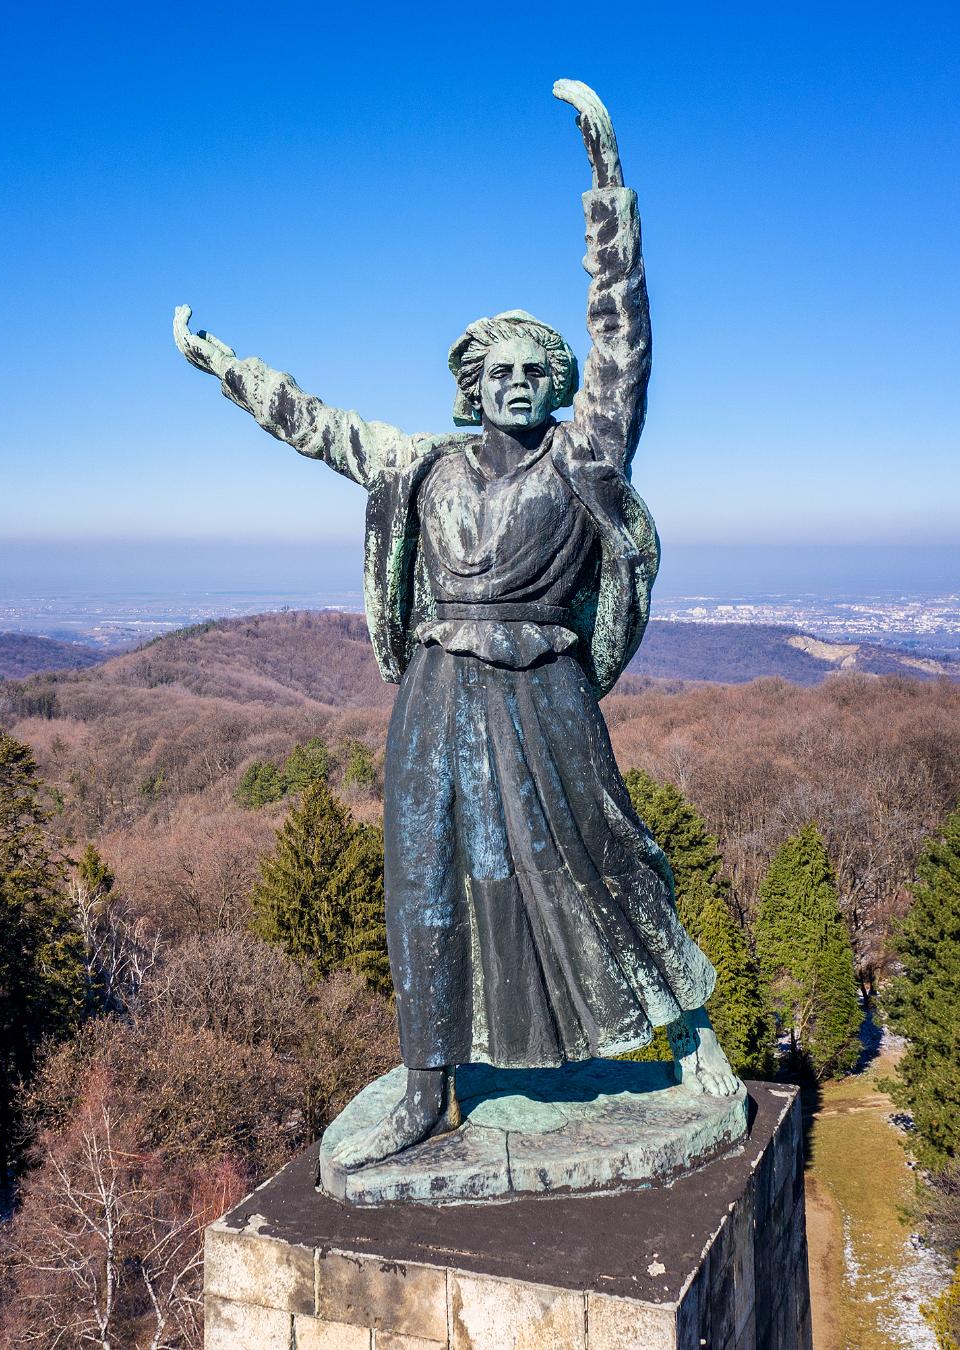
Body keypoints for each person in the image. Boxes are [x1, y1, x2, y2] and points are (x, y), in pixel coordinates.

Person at [174, 80, 739, 1173]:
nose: (522, 384)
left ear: (559, 387)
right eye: (501, 373)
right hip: (436, 693)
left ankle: (688, 1035)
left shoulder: (587, 459)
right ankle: (430, 1083)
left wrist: (607, 193)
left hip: (547, 690)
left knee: (599, 858)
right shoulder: (417, 465)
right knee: (427, 873)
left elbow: (625, 347)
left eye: (540, 372)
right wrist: (223, 366)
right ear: (472, 388)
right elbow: (310, 421)